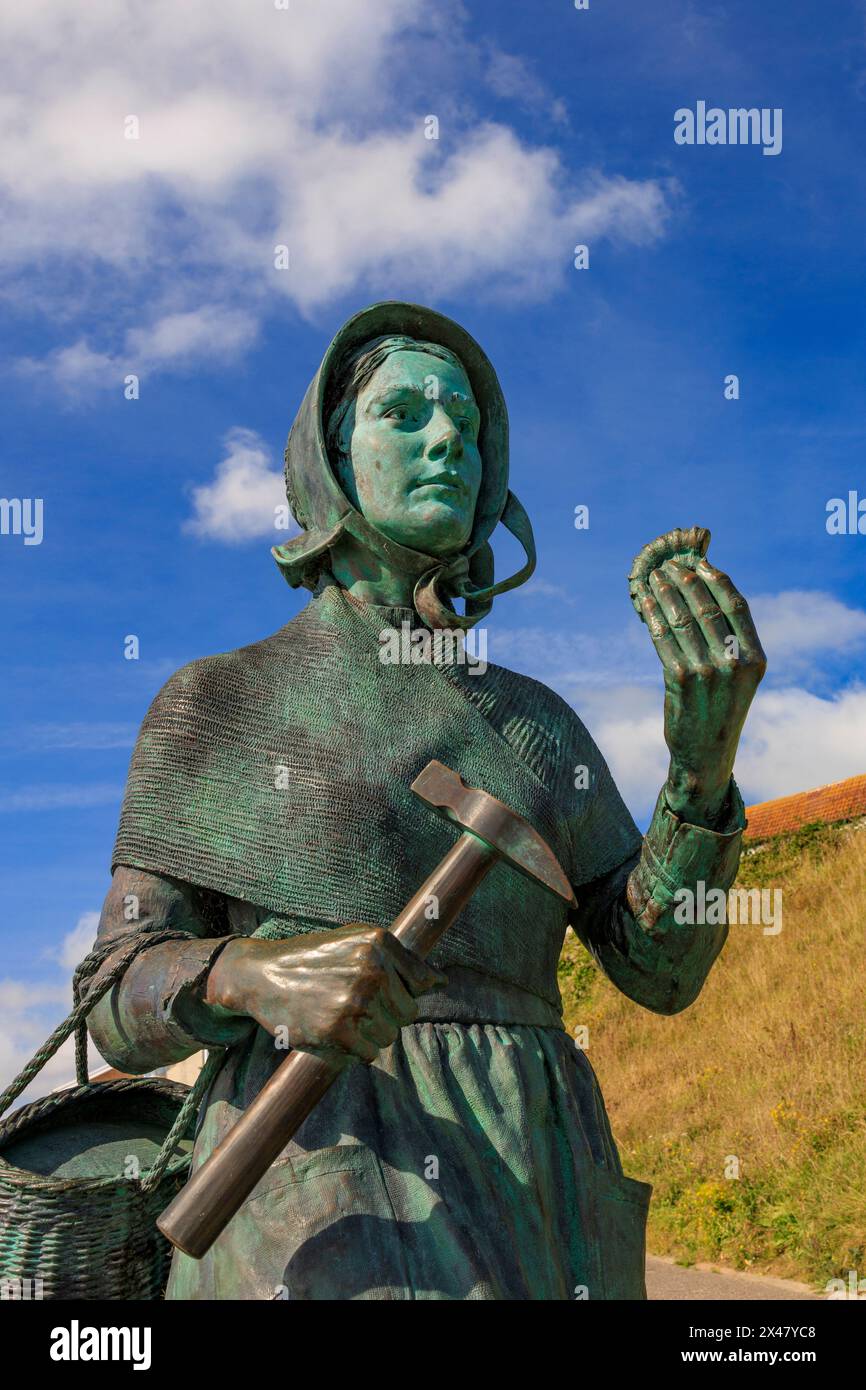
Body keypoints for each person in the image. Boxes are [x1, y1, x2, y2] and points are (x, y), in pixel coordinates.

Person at [86, 301, 765, 1300]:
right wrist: (252, 975)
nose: (449, 437)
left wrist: (700, 774)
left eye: (467, 423)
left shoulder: (536, 724)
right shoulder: (220, 699)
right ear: (333, 459)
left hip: (542, 1189)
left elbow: (659, 968)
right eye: (404, 414)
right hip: (314, 1197)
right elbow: (114, 1002)